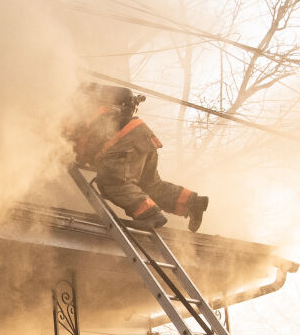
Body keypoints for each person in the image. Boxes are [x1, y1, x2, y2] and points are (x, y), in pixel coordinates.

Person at [64, 82, 208, 232]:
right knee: (150, 185)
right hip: (142, 135)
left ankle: (149, 215)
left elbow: (75, 142)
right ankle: (192, 202)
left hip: (126, 141)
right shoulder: (92, 109)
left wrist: (64, 152)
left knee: (110, 181)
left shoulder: (72, 117)